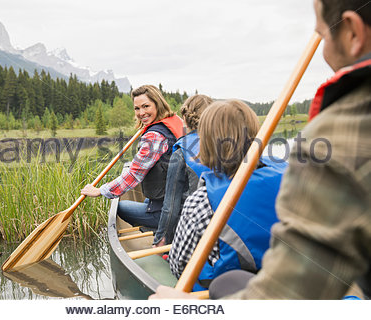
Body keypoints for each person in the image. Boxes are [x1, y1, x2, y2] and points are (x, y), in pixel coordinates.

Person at [150, 0, 371, 299]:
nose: (324, 53)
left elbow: (179, 256)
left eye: (323, 35)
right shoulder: (285, 171)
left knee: (223, 284)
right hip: (281, 270)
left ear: (353, 32)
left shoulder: (202, 199)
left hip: (245, 281)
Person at [167, 100, 287, 291]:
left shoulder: (200, 202)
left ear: (205, 141)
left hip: (233, 292)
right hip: (290, 279)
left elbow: (178, 265)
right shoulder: (292, 178)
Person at [81, 85, 184, 230]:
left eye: (146, 106)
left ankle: (159, 229)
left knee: (121, 207)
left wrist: (100, 191)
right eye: (137, 108)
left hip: (169, 211)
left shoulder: (154, 136)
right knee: (148, 199)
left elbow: (134, 174)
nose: (141, 113)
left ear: (157, 104)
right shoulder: (175, 120)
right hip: (181, 200)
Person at [153, 94, 213, 247]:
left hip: (194, 223)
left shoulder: (181, 152)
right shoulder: (229, 142)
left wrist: (160, 239)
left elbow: (170, 206)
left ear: (185, 119)